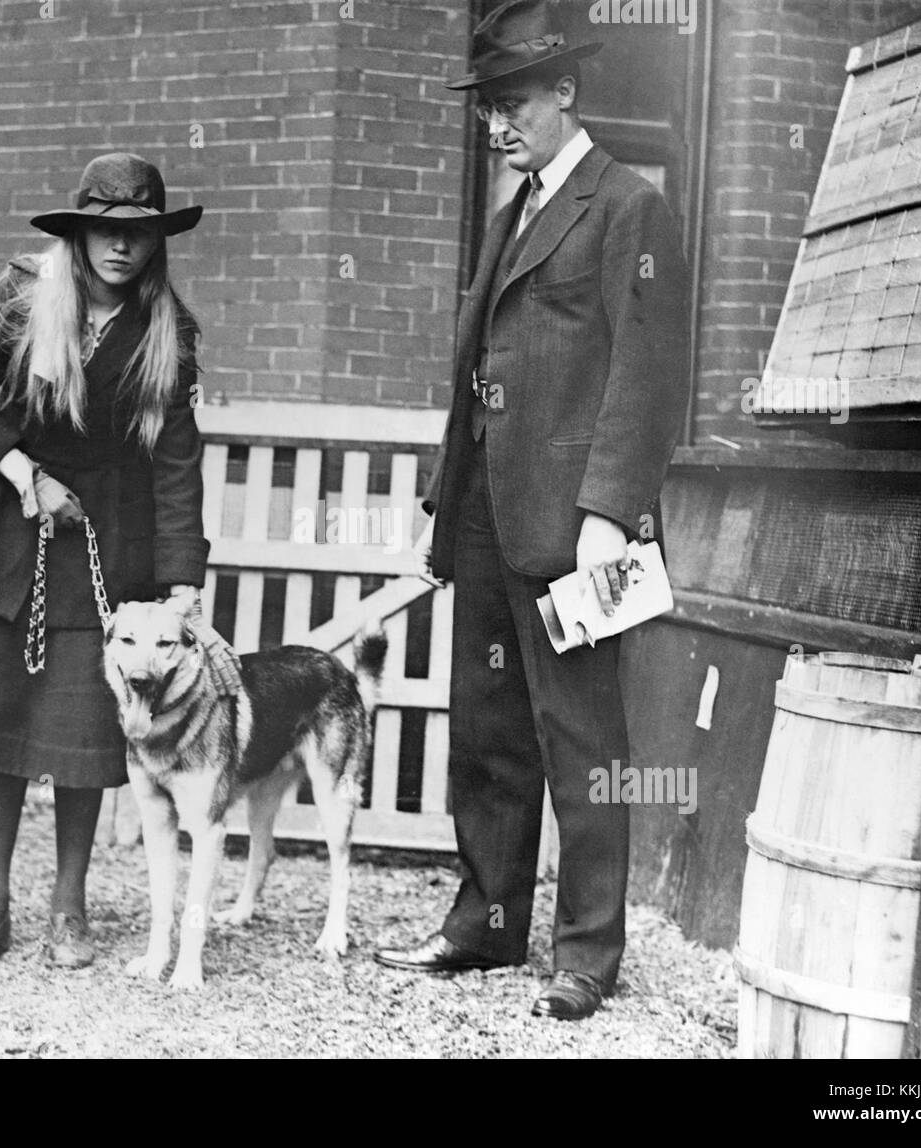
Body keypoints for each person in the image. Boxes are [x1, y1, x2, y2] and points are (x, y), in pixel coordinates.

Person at [375, 0, 691, 1020]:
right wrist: (444, 506)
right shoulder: (513, 210)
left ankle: (589, 951)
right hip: (486, 512)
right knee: (488, 725)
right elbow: (480, 367)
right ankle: (487, 920)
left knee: (583, 738)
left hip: (572, 522)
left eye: (512, 105)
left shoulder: (625, 208)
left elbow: (647, 374)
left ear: (564, 91)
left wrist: (608, 510)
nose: (497, 127)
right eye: (487, 111)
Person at [0, 153, 209, 970]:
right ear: (79, 231)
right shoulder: (21, 294)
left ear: (158, 240)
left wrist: (181, 575)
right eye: (106, 230)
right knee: (3, 720)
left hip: (107, 544)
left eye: (141, 233)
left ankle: (69, 909)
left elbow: (177, 459)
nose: (122, 247)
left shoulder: (168, 332)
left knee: (87, 727)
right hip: (7, 529)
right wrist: (24, 474)